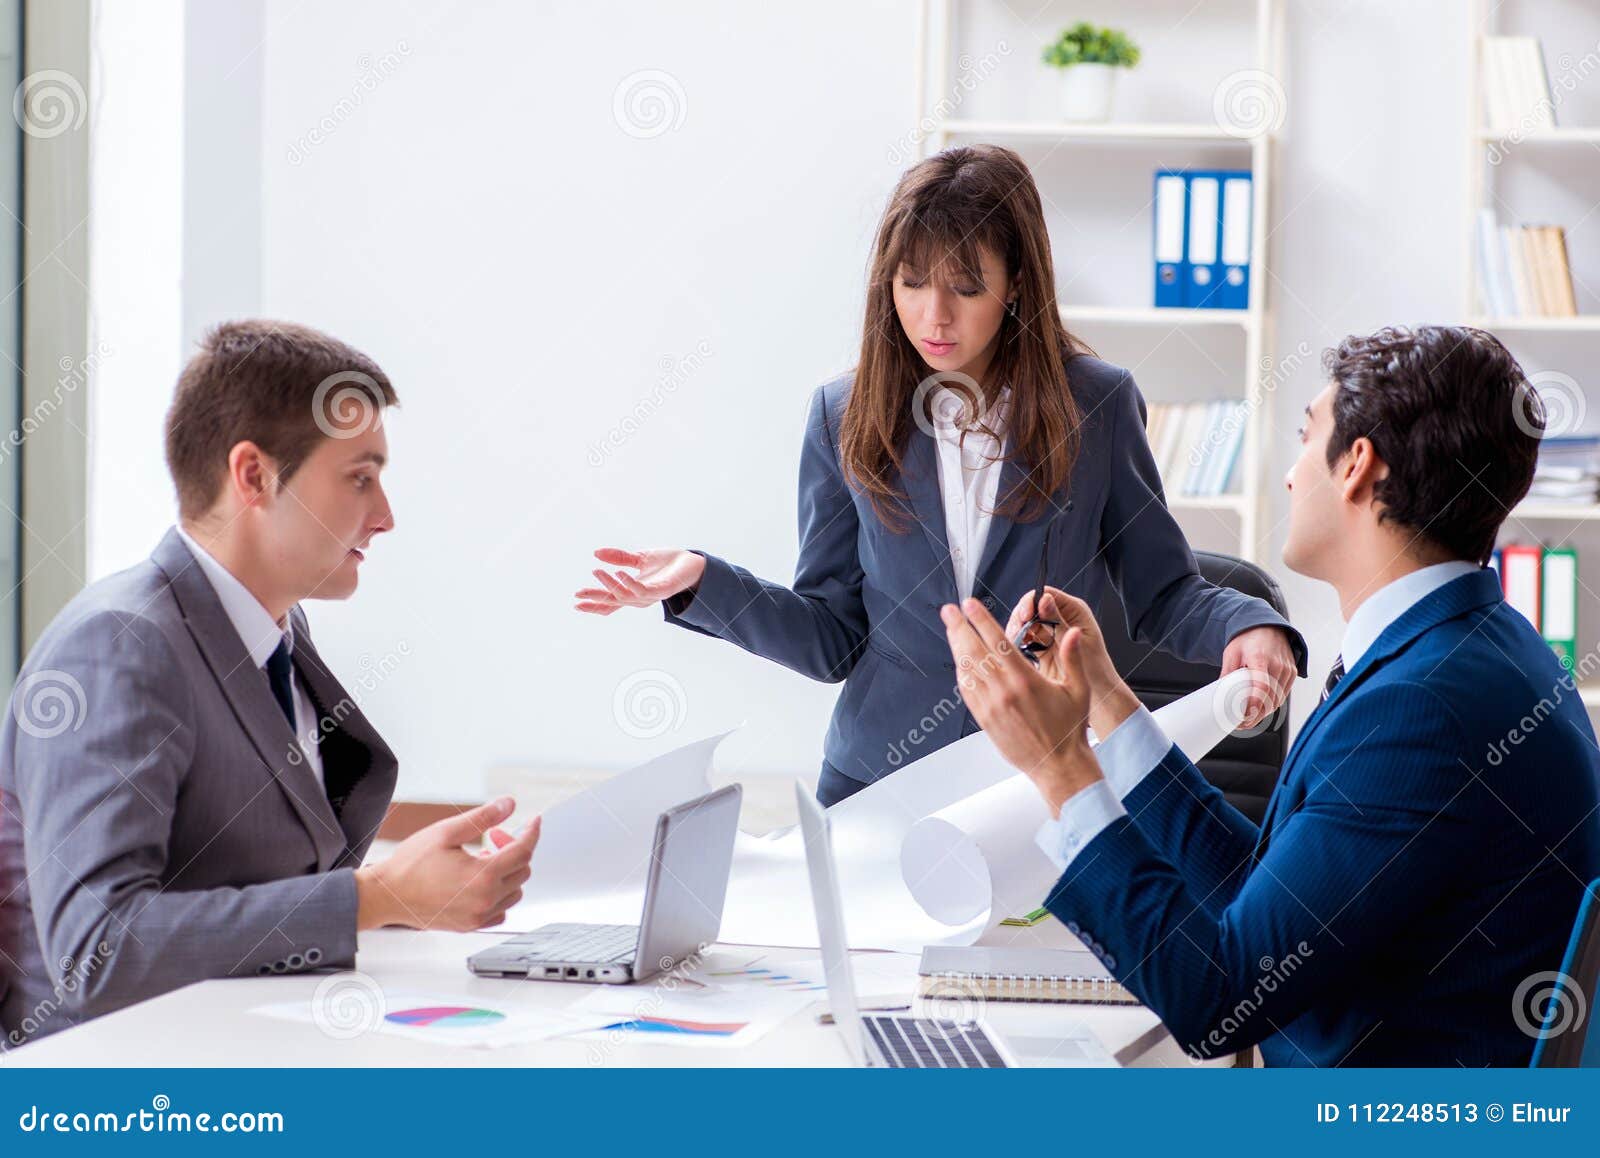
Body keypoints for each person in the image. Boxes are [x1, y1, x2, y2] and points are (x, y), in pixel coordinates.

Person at [943, 324, 1600, 1066]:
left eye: (1305, 437)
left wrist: (1060, 766)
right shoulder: (1476, 649)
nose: (1290, 475)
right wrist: (1106, 698)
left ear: (1357, 466)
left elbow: (1217, 999)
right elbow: (1265, 899)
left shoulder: (1425, 707)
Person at [576, 144, 1305, 805]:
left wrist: (1251, 622)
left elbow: (1163, 591)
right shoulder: (842, 413)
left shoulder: (1098, 405)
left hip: (1037, 785)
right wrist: (703, 581)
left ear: (1015, 285)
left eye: (965, 286)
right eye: (912, 282)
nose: (934, 315)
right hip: (875, 785)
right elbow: (832, 636)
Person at [0, 320, 538, 1046]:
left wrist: (411, 894)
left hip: (254, 1042)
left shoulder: (273, 629)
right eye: (360, 478)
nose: (384, 517)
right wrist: (374, 897)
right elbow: (99, 951)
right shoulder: (118, 646)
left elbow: (258, 874)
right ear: (253, 475)